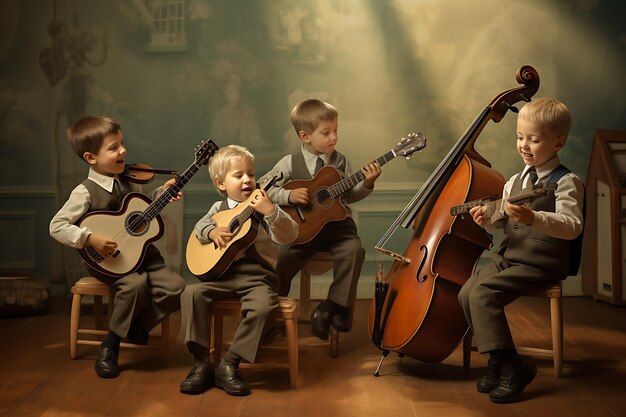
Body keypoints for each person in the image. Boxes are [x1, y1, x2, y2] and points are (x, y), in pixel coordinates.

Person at [458, 97, 584, 404]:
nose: (524, 145)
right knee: (466, 293)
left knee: (483, 294)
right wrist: (487, 218)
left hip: (541, 261)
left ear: (559, 142)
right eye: (519, 137)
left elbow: (572, 225)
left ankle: (515, 366)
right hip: (510, 257)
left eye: (534, 139)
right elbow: (505, 221)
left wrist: (536, 217)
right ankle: (498, 361)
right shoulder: (515, 181)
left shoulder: (567, 182)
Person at [49, 116, 186, 379]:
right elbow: (56, 226)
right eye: (114, 147)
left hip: (142, 254)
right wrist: (89, 238)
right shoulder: (84, 192)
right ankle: (110, 344)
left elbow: (140, 212)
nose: (123, 150)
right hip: (108, 259)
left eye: (122, 143)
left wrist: (163, 193)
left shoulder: (129, 179)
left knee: (176, 287)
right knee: (135, 285)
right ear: (91, 157)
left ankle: (136, 326)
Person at [179, 145, 298, 396]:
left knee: (264, 304)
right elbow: (201, 226)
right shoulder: (217, 209)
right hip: (222, 276)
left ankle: (230, 363)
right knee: (191, 293)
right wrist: (210, 231)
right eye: (239, 175)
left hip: (258, 278)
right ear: (221, 183)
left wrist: (271, 212)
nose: (247, 180)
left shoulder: (264, 205)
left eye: (251, 174)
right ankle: (201, 364)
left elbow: (290, 234)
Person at [261, 98, 382, 340]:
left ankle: (331, 307)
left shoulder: (341, 161)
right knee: (285, 258)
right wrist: (288, 194)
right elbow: (262, 189)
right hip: (303, 231)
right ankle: (269, 316)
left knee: (354, 250)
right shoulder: (289, 163)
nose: (333, 137)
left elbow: (349, 196)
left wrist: (367, 183)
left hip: (338, 228)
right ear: (305, 136)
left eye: (336, 130)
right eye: (326, 133)